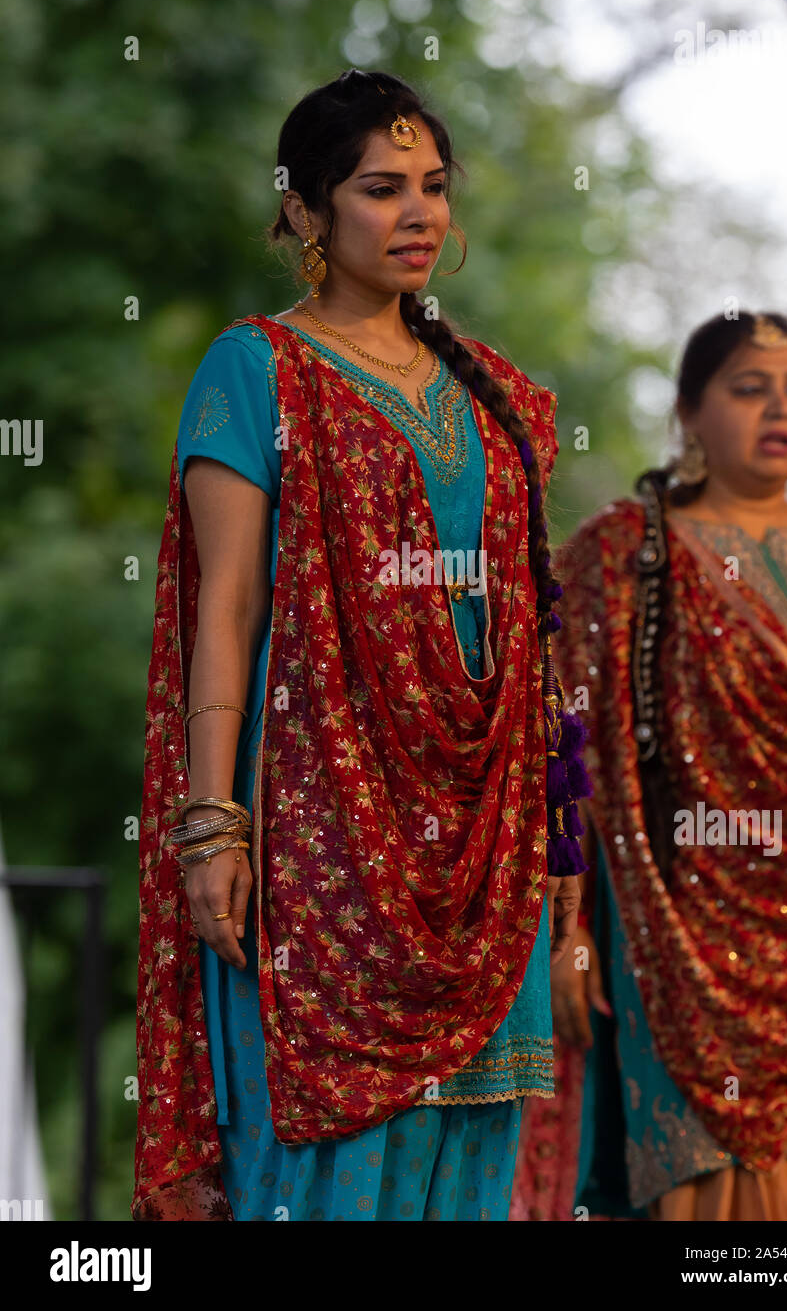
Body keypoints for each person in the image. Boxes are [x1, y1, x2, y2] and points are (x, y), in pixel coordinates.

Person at [132, 69, 587, 1222]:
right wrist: (206, 827)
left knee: (470, 1168)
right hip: (316, 839)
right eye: (382, 189)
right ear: (303, 211)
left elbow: (526, 637)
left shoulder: (494, 401)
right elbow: (223, 608)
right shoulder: (256, 370)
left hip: (483, 841)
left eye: (432, 186)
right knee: (322, 1163)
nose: (419, 211)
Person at [548, 310, 787, 1221]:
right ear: (689, 414)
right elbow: (560, 760)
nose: (780, 408)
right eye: (748, 387)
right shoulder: (618, 557)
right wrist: (566, 933)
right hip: (678, 942)